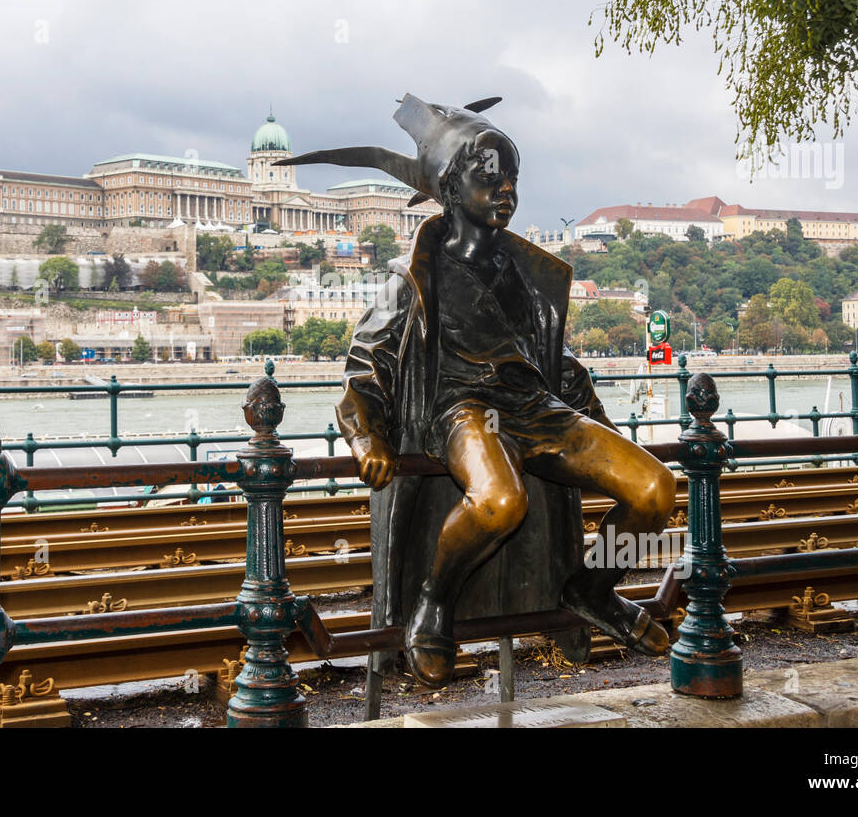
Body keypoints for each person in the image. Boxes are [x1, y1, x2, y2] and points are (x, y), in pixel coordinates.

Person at [277, 94, 676, 687]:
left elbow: (560, 366)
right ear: (450, 187)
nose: (506, 190)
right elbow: (364, 368)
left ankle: (592, 589)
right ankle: (433, 605)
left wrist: (600, 425)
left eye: (511, 178)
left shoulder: (529, 275)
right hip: (462, 412)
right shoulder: (412, 276)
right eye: (488, 178)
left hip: (537, 409)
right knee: (499, 502)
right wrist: (367, 440)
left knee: (654, 488)